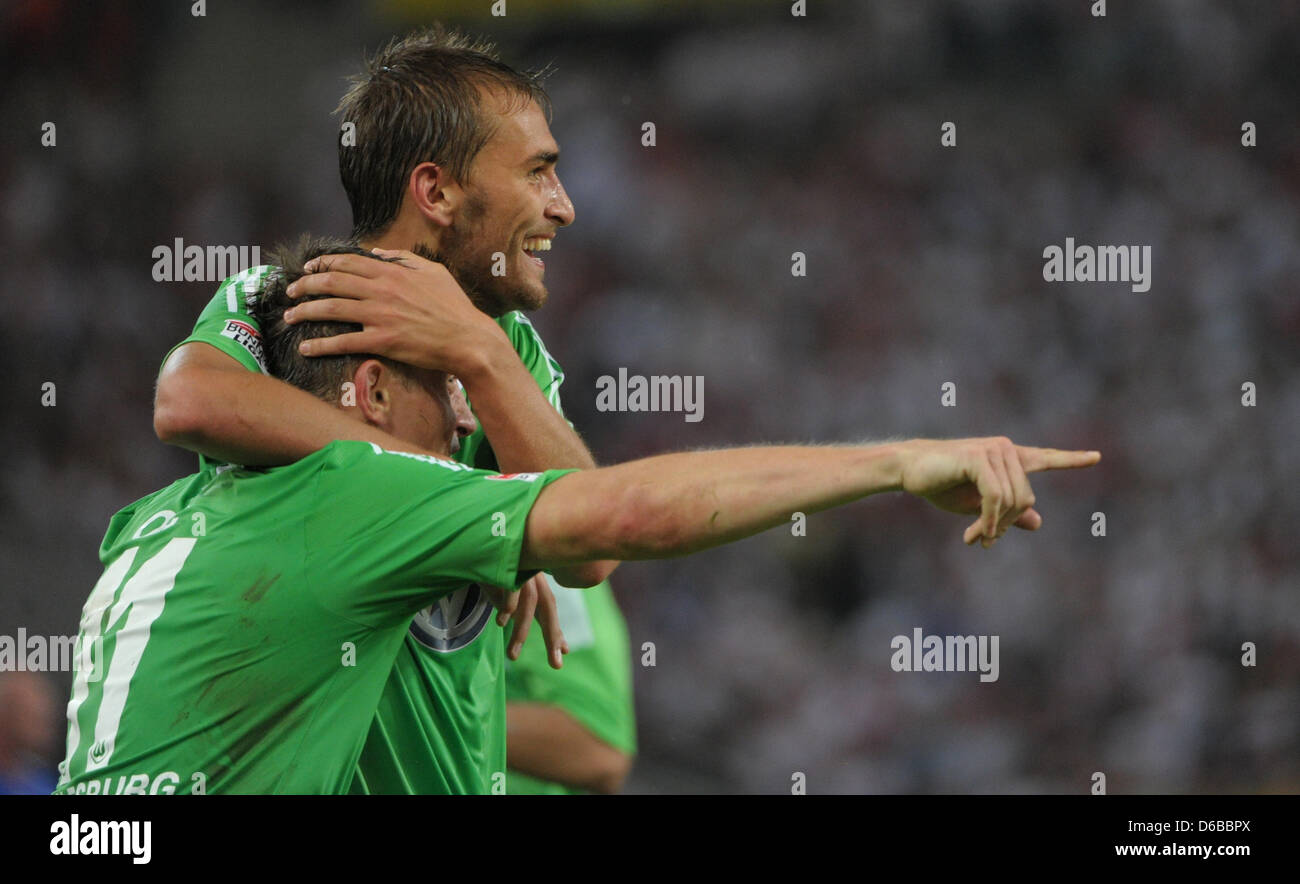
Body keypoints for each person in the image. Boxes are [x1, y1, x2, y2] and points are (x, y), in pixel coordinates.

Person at [62, 236, 1099, 794]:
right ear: (371, 393)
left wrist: (475, 555)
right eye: (450, 386)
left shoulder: (153, 520)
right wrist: (898, 458)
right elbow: (635, 514)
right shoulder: (359, 494)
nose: (468, 415)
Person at [153, 26, 636, 794]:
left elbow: (590, 549)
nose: (565, 207)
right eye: (539, 172)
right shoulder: (296, 296)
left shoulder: (511, 348)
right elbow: (188, 399)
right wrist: (472, 507)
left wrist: (478, 354)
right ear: (437, 191)